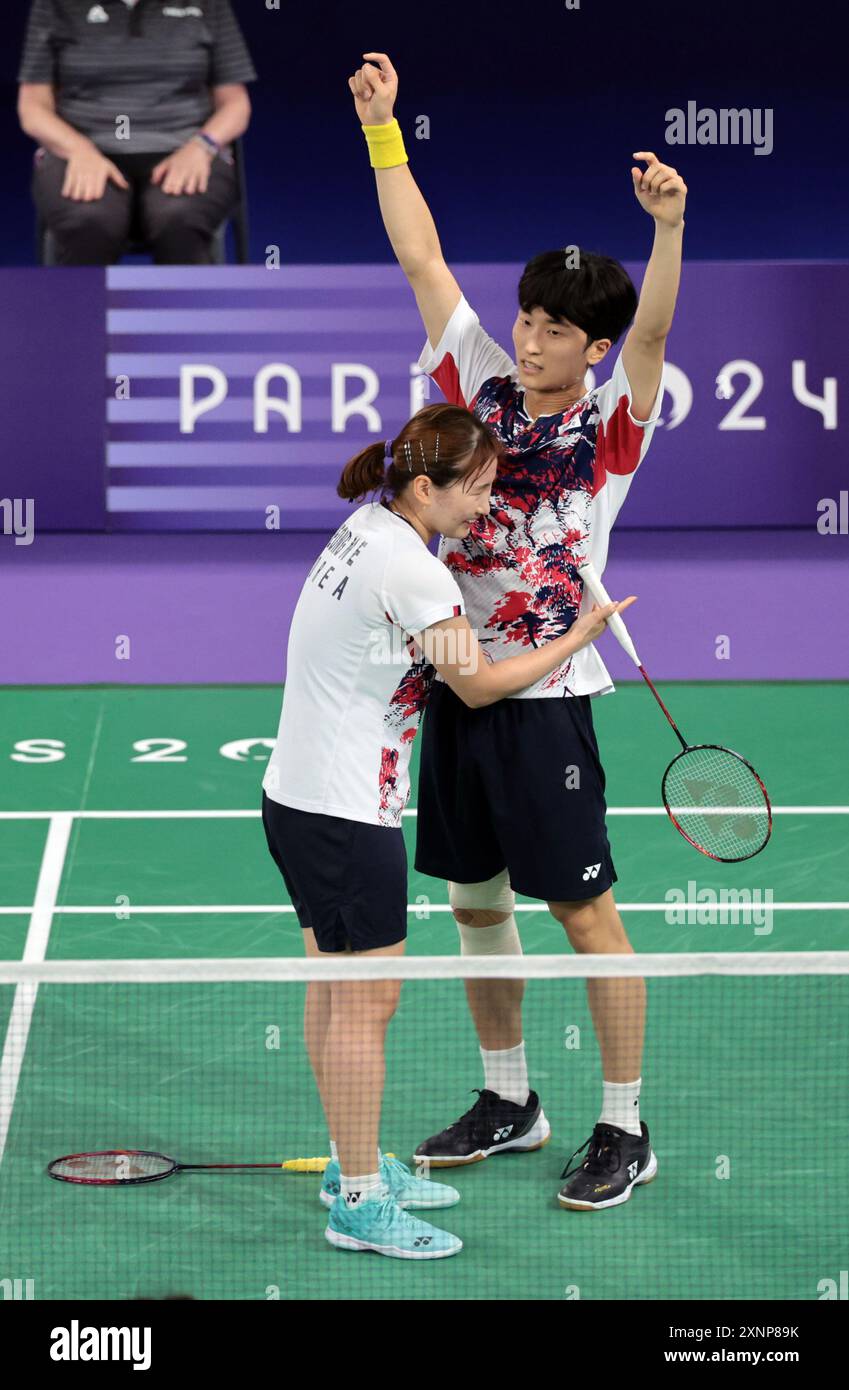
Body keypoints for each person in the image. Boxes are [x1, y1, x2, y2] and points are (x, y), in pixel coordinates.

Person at [348, 51, 687, 1210]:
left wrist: (670, 229)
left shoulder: (608, 426)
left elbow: (650, 340)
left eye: (553, 328)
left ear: (590, 347)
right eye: (528, 317)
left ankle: (625, 1123)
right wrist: (386, 134)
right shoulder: (479, 379)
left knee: (583, 910)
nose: (530, 336)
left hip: (546, 693)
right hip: (458, 677)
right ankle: (511, 1097)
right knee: (475, 902)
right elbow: (419, 256)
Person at [261, 403, 634, 1257]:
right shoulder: (415, 572)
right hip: (346, 811)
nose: (487, 504)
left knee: (334, 991)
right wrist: (579, 636)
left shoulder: (367, 527)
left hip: (297, 797)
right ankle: (357, 1200)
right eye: (476, 488)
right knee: (366, 1006)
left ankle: (347, 1164)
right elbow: (478, 686)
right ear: (425, 486)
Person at [17, 0, 255, 265]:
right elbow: (32, 107)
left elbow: (236, 104)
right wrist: (78, 149)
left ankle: (184, 305)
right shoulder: (53, 5)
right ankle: (82, 307)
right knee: (89, 221)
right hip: (82, 152)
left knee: (180, 218)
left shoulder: (209, 4)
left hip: (186, 149)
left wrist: (202, 146)